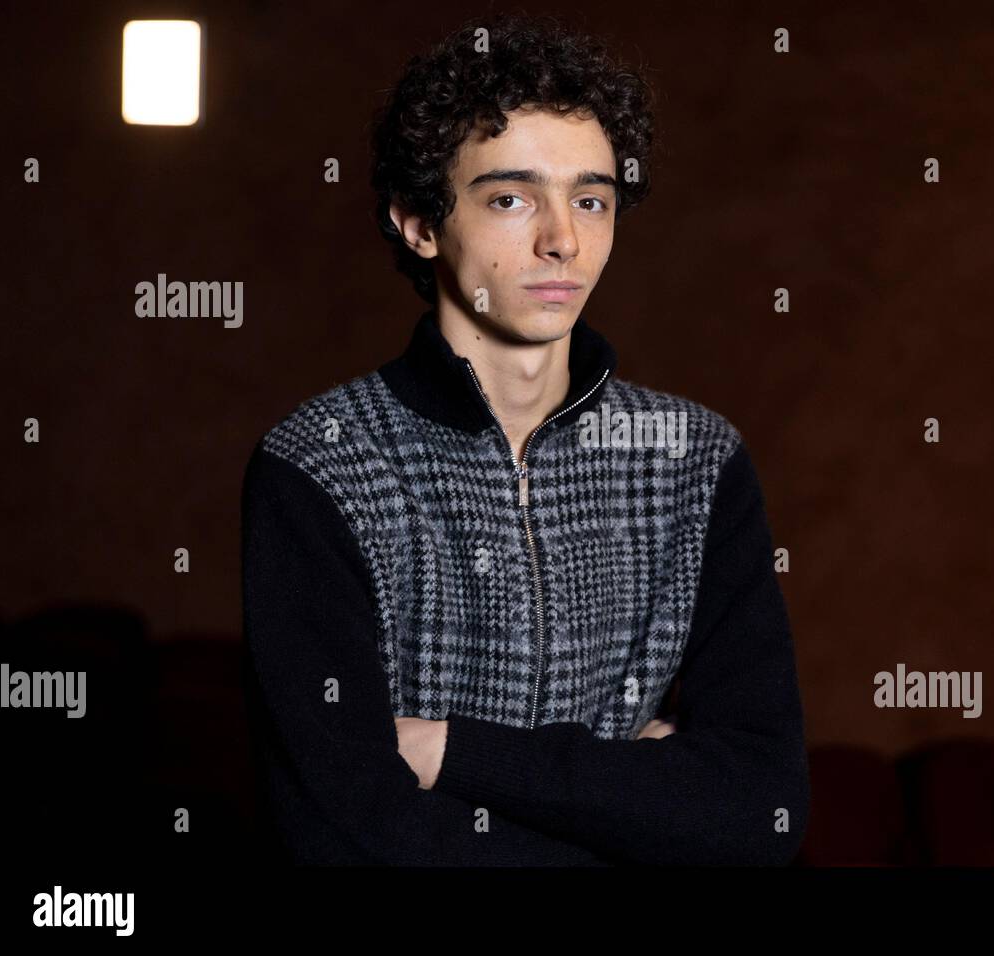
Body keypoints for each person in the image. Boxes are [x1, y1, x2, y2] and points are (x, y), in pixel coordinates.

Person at [240, 11, 809, 866]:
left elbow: (759, 811)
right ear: (419, 223)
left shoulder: (696, 462)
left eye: (591, 199)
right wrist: (639, 800)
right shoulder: (317, 465)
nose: (563, 240)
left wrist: (450, 754)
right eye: (511, 197)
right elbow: (344, 837)